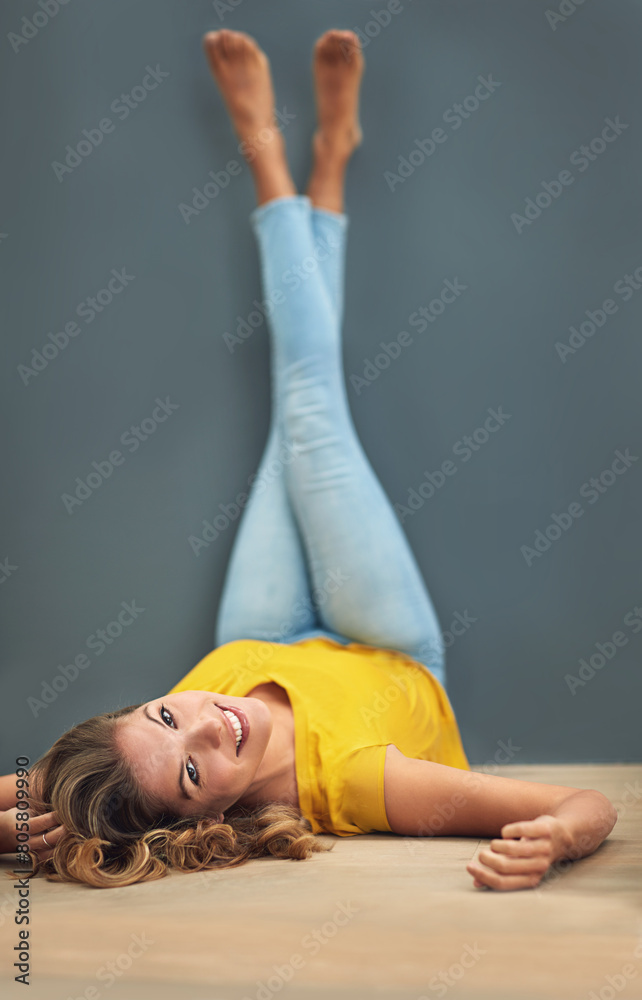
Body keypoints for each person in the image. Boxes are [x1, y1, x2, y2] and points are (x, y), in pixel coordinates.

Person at [0, 30, 617, 891]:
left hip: (255, 643)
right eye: (191, 771)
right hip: (389, 649)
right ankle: (274, 156)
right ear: (204, 822)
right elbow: (588, 803)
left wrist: (25, 813)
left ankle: (325, 163)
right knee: (310, 412)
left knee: (297, 418)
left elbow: (41, 783)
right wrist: (558, 839)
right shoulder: (358, 782)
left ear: (141, 707)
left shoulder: (159, 735)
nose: (210, 725)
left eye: (167, 714)